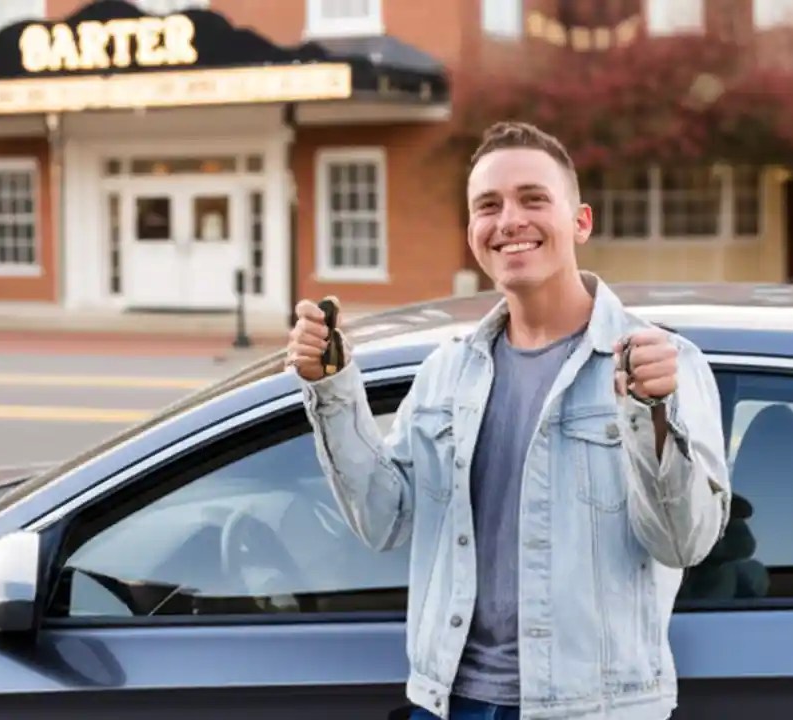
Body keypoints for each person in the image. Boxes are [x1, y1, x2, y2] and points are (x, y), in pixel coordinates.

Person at [285, 121, 731, 720]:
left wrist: (651, 414)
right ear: (472, 233)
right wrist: (331, 390)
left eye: (533, 199)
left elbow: (684, 543)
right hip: (449, 702)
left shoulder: (664, 364)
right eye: (487, 206)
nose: (509, 220)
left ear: (581, 222)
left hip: (592, 710)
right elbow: (384, 521)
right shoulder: (447, 371)